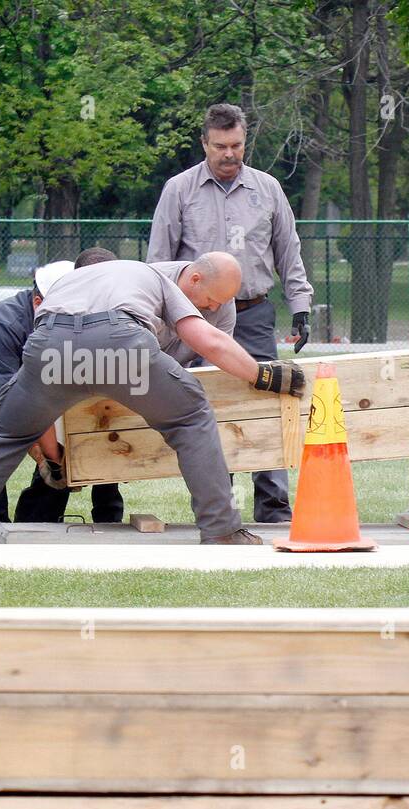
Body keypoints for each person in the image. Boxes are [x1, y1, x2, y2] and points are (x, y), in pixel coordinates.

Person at [0, 258, 304, 548]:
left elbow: (43, 326)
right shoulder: (159, 279)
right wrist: (260, 374)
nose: (209, 308)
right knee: (190, 417)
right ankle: (221, 529)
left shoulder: (82, 277)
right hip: (122, 345)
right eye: (208, 300)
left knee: (4, 434)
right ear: (192, 278)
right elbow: (207, 339)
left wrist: (52, 457)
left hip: (51, 346)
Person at [147, 101, 314, 524]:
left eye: (236, 145)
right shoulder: (178, 190)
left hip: (254, 312)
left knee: (268, 394)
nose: (229, 154)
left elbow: (288, 251)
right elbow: (158, 262)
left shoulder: (269, 189)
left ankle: (273, 505)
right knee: (202, 400)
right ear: (205, 143)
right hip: (195, 317)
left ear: (245, 142)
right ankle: (217, 506)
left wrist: (301, 307)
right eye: (220, 146)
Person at [0, 249, 124, 539]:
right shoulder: (1, 325)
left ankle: (37, 521)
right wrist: (47, 458)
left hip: (25, 391)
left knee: (66, 442)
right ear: (38, 303)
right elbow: (9, 406)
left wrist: (63, 450)